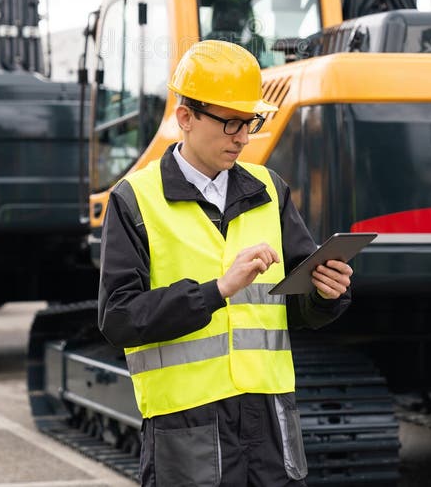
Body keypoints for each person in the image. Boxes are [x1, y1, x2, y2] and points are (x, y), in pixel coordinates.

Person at [98, 39, 353, 487]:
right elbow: (119, 319)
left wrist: (326, 294)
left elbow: (297, 305)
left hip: (269, 418)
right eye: (231, 122)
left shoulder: (269, 189)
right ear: (185, 118)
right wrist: (216, 290)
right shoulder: (135, 199)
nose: (243, 136)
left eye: (250, 121)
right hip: (186, 420)